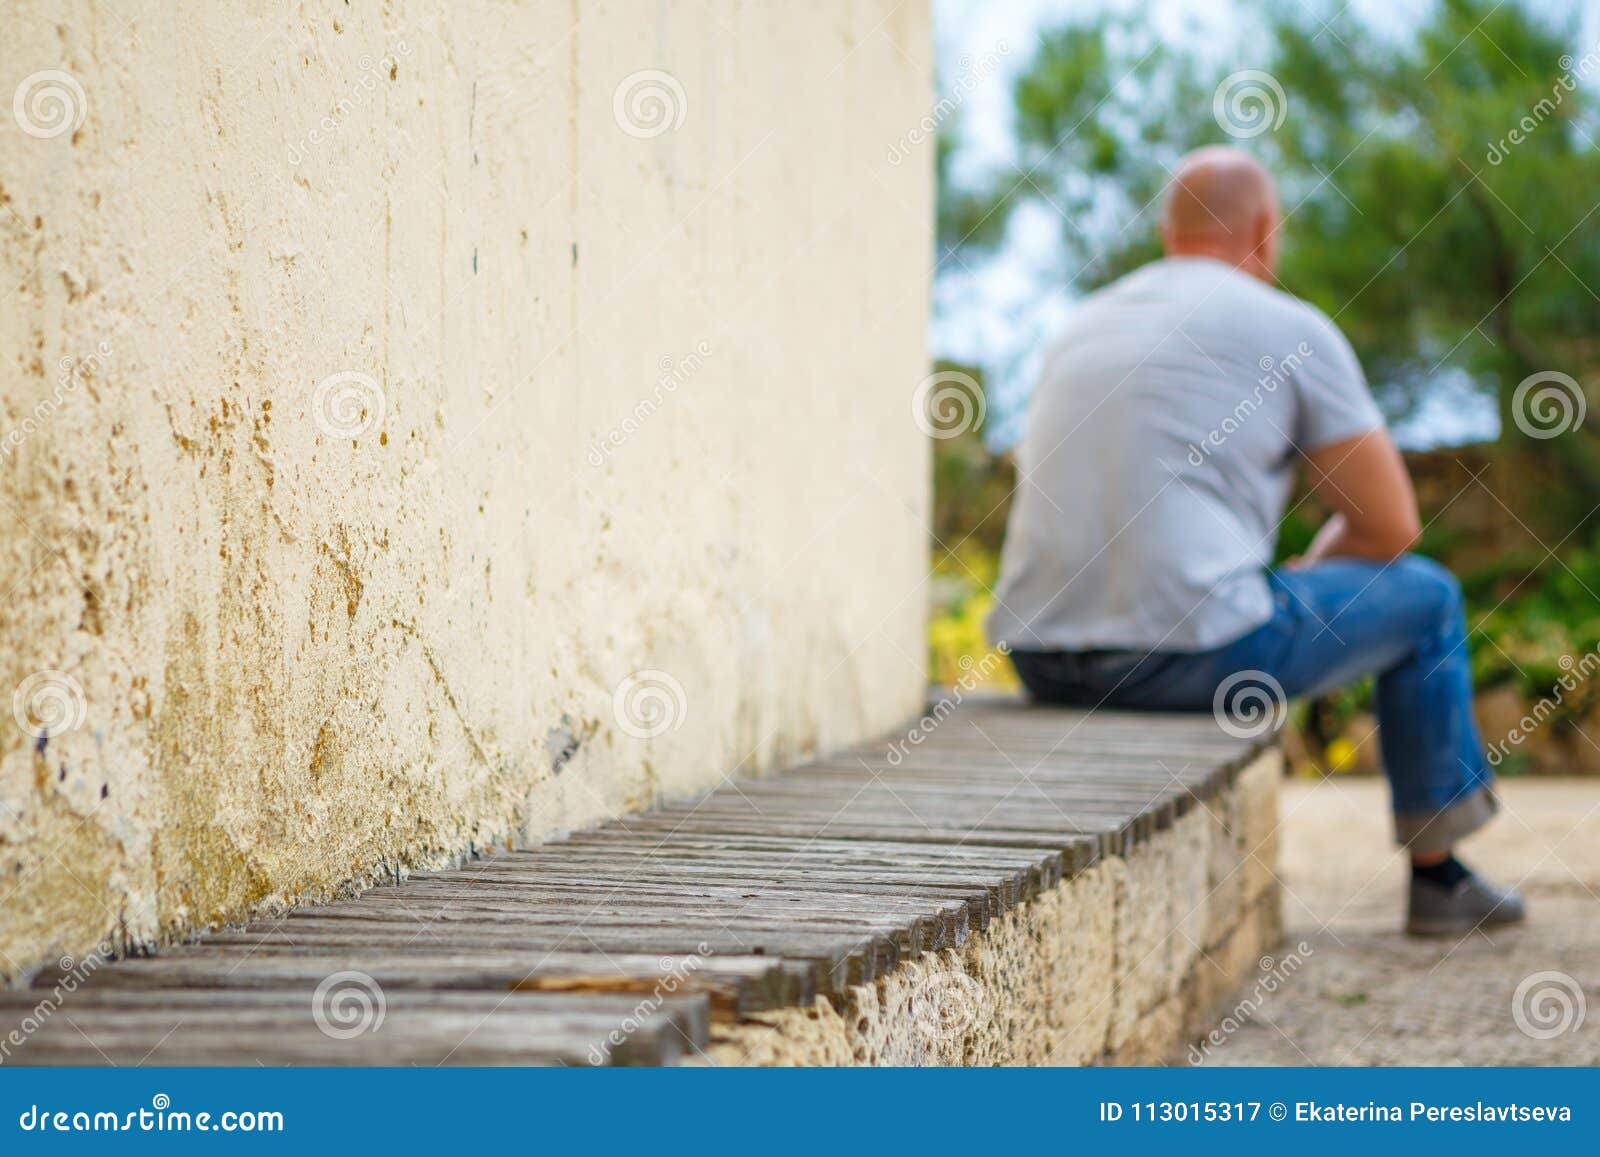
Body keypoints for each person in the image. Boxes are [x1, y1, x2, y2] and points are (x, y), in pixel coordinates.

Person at [986, 145, 1524, 937]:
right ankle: (1441, 879)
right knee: (1427, 596)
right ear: (1265, 232)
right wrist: (1313, 566)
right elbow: (1390, 526)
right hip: (1195, 654)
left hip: (1043, 657)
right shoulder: (1288, 326)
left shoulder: (1080, 325)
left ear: (1168, 232)